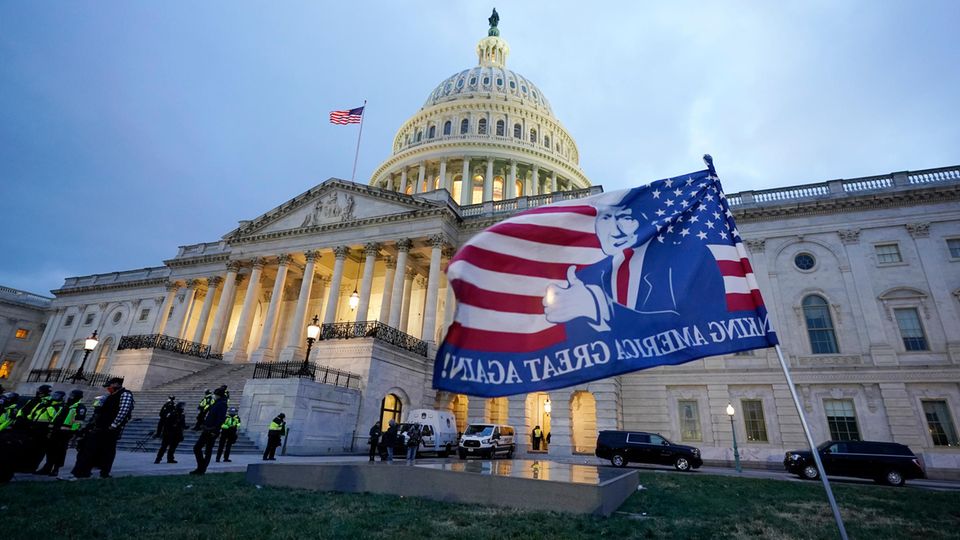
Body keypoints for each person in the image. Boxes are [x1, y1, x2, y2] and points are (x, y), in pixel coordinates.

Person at [69, 377, 135, 479]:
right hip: (100, 427)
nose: (108, 388)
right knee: (91, 449)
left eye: (110, 385)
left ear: (117, 384)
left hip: (110, 429)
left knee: (106, 450)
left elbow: (124, 410)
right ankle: (84, 471)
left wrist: (114, 425)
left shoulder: (125, 394)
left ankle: (103, 472)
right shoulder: (110, 396)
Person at [36, 389, 85, 476]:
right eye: (70, 395)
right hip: (56, 431)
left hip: (66, 433)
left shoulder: (80, 407)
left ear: (77, 397)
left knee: (60, 451)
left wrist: (73, 433)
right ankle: (47, 467)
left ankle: (56, 469)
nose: (70, 397)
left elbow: (78, 422)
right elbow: (56, 417)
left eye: (72, 395)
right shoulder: (65, 405)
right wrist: (51, 429)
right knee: (50, 450)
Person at [190, 387, 227, 475]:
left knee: (201, 448)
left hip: (212, 430)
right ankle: (201, 468)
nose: (213, 396)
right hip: (207, 428)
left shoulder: (222, 404)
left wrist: (214, 430)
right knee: (200, 448)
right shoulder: (216, 403)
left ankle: (201, 468)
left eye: (215, 394)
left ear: (218, 395)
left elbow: (220, 419)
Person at [28, 390, 65, 473]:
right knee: (33, 449)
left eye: (58, 396)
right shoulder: (46, 404)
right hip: (36, 427)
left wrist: (50, 431)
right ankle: (29, 466)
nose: (55, 397)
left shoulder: (59, 406)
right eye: (54, 395)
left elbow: (55, 418)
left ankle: (38, 467)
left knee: (42, 450)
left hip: (46, 430)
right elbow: (35, 413)